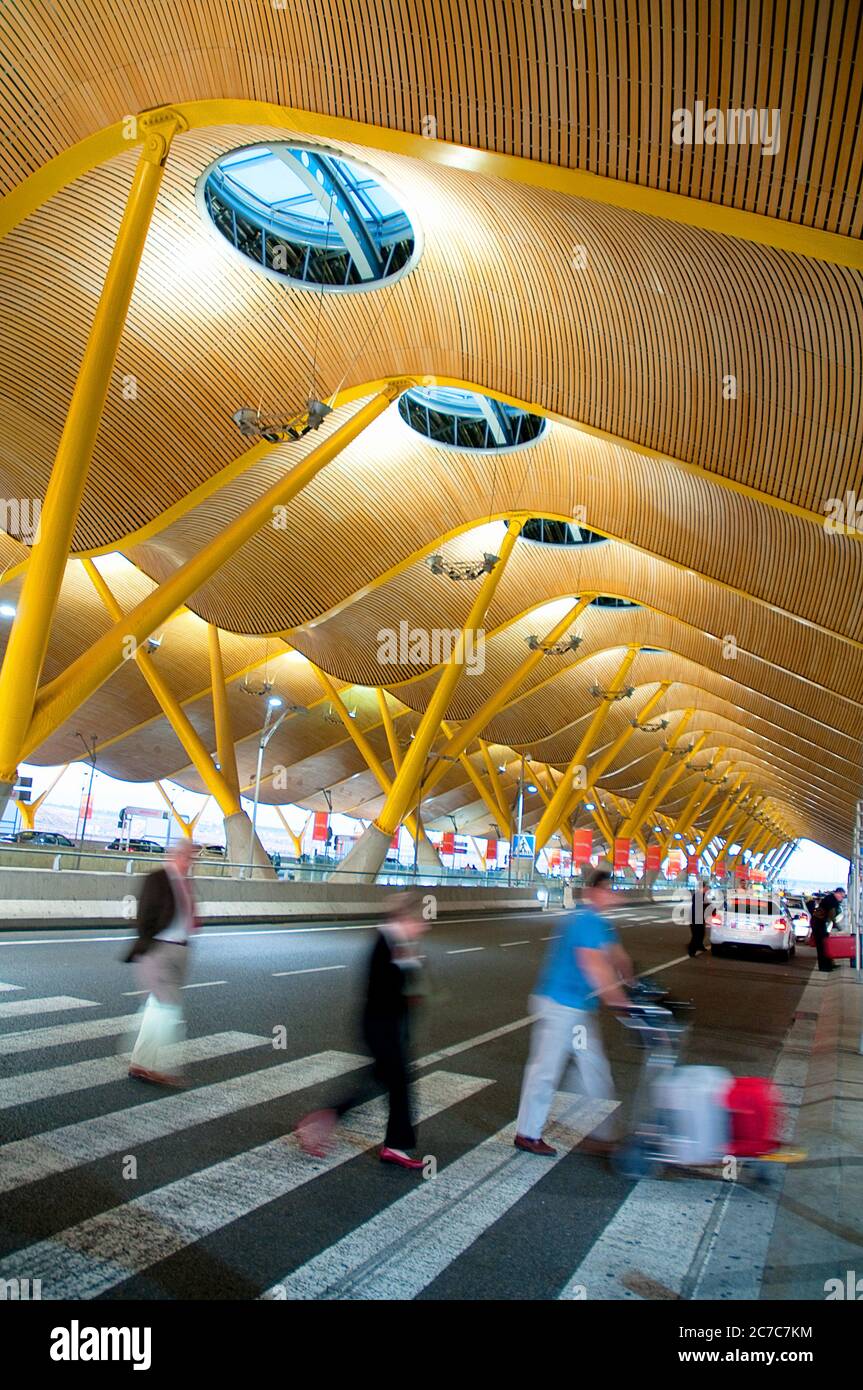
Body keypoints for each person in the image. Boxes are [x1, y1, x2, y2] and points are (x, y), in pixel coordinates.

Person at [296, 891, 429, 1170]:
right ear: (405, 918)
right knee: (396, 1082)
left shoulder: (397, 941)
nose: (423, 926)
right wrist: (407, 988)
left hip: (387, 1027)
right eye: (419, 920)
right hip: (379, 1026)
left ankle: (327, 1121)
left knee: (381, 1081)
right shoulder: (387, 942)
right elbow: (383, 989)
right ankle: (388, 1143)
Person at [514, 863, 632, 1158]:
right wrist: (621, 1003)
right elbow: (595, 967)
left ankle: (601, 1131)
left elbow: (618, 958)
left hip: (577, 1008)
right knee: (545, 1070)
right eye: (605, 891)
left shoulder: (600, 924)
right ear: (591, 893)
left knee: (593, 1065)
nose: (609, 896)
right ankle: (527, 1133)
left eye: (611, 891)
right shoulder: (585, 921)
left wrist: (633, 984)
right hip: (559, 1005)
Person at [124, 839, 200, 1085]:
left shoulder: (185, 882)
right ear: (175, 855)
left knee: (158, 1005)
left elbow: (186, 914)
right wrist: (149, 945)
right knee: (168, 1007)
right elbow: (145, 914)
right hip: (160, 949)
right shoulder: (157, 878)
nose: (190, 861)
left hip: (180, 949)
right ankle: (153, 1065)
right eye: (186, 856)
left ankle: (141, 1062)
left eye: (192, 857)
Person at [810, 887, 847, 972]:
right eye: (842, 896)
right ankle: (824, 966)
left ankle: (829, 964)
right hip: (818, 923)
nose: (842, 898)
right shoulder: (832, 900)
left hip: (820, 922)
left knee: (825, 945)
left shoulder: (831, 899)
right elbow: (832, 914)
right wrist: (836, 925)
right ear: (838, 893)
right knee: (822, 946)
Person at [688, 878, 712, 956]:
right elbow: (700, 906)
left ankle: (699, 946)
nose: (707, 889)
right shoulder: (698, 895)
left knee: (701, 933)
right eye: (706, 887)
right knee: (696, 935)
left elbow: (707, 904)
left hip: (700, 917)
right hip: (695, 917)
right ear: (703, 887)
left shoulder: (703, 895)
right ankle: (691, 950)